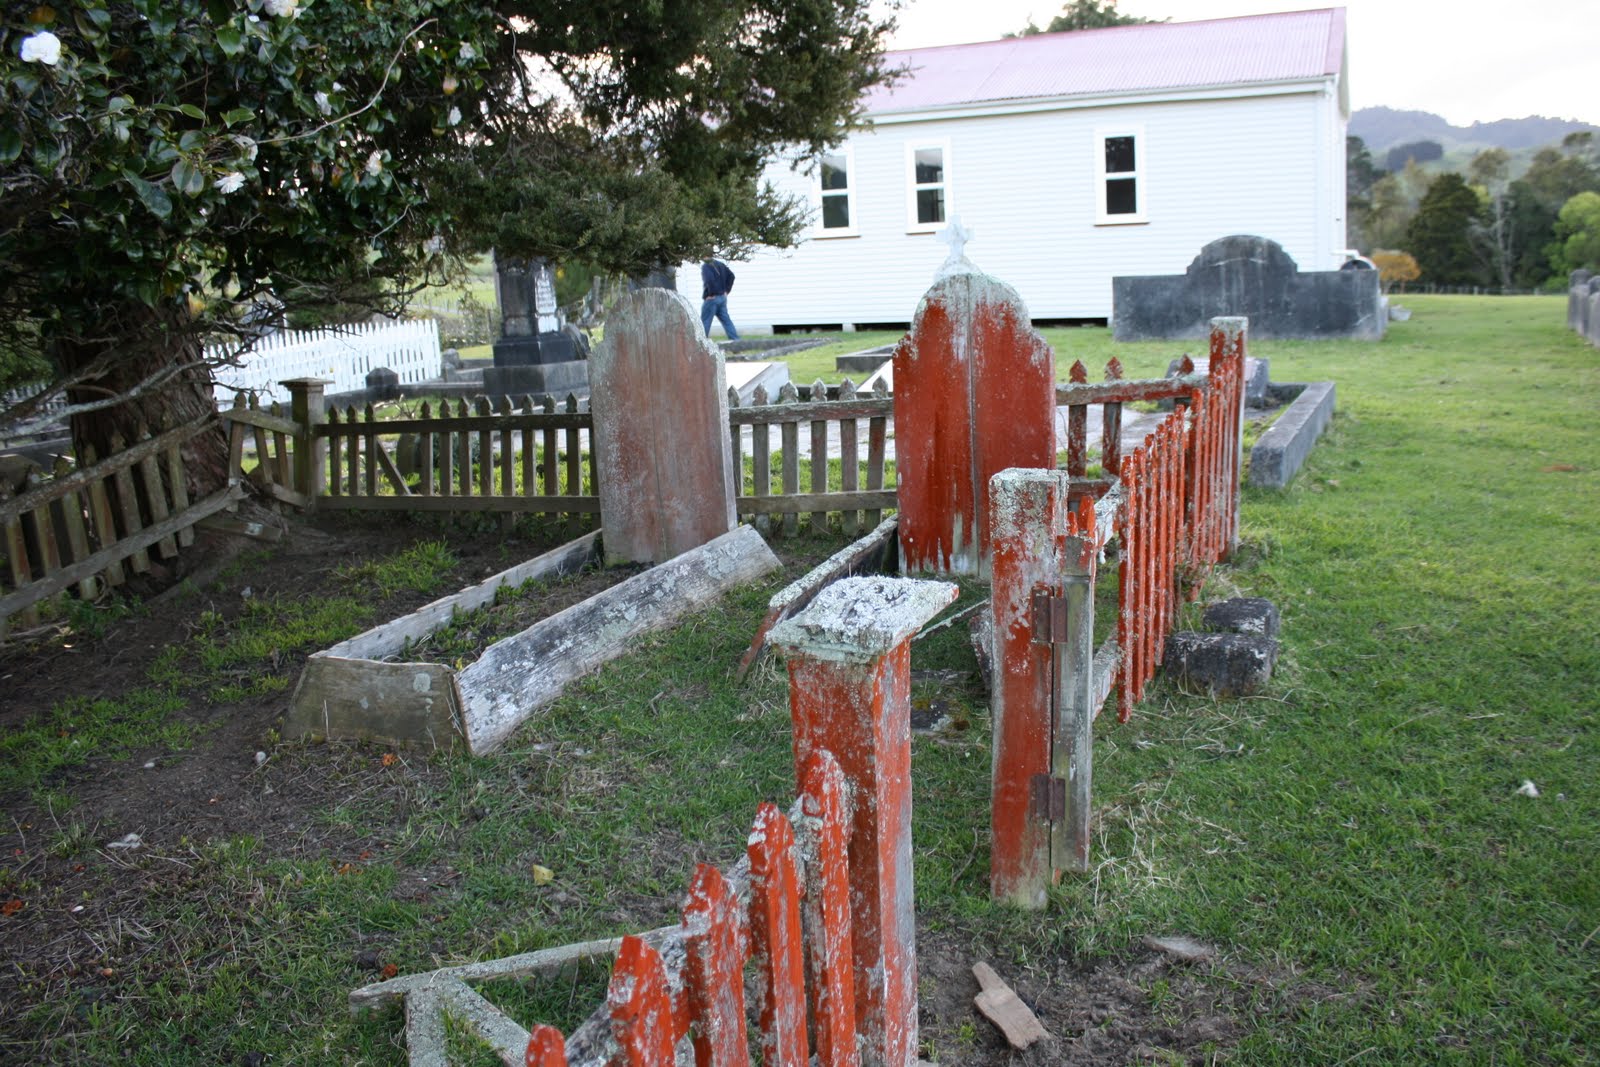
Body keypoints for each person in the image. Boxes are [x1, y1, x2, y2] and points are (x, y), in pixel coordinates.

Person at [700, 258, 739, 340]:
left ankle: (701, 343)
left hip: (712, 299)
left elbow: (709, 280)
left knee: (705, 322)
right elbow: (731, 276)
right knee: (726, 321)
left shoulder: (706, 266)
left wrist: (710, 294)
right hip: (722, 298)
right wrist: (726, 291)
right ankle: (736, 341)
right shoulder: (720, 264)